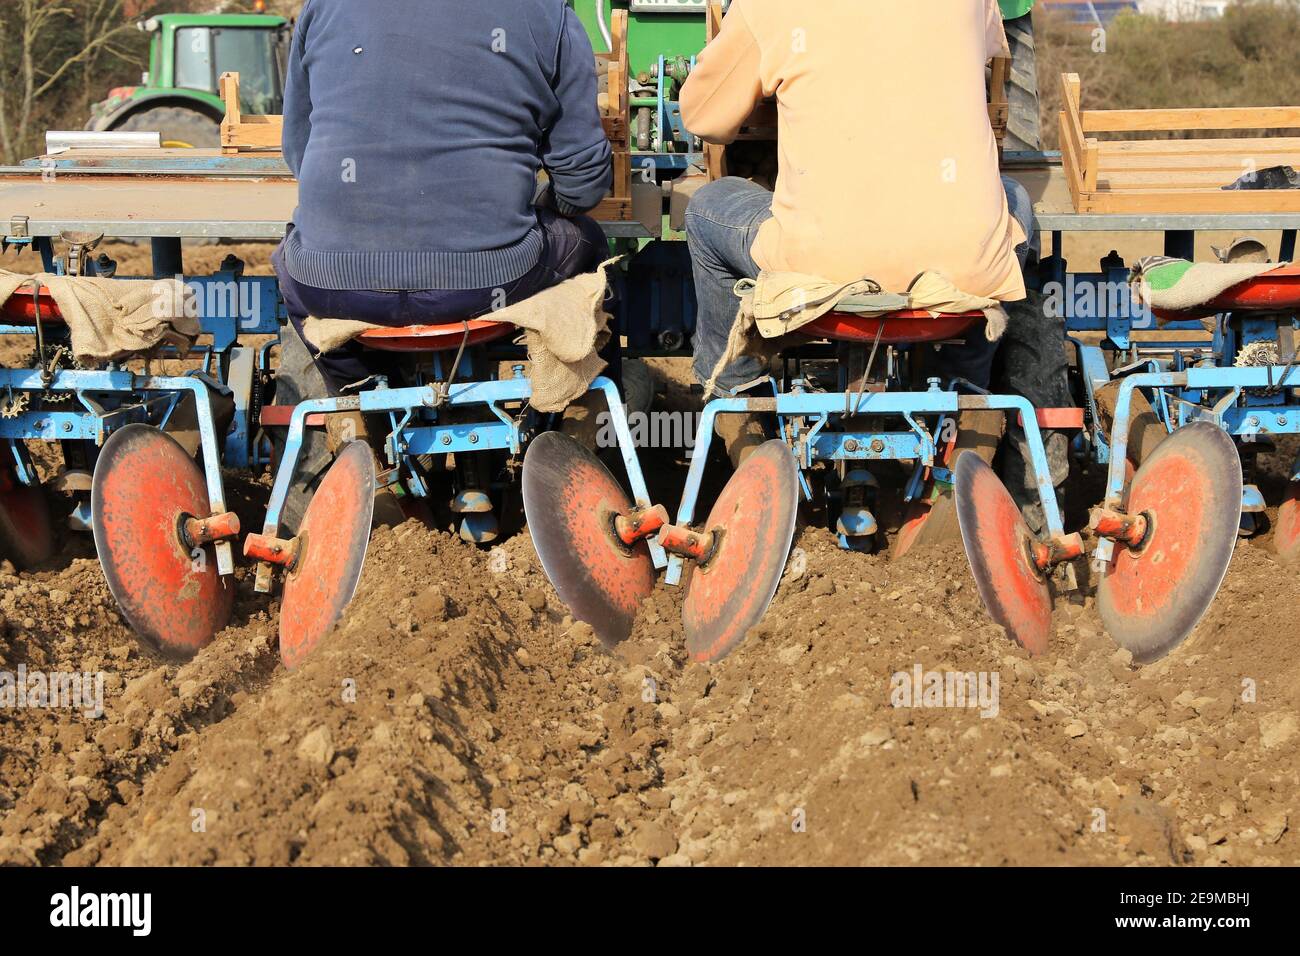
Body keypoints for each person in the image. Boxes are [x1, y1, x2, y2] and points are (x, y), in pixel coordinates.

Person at [678, 0, 1051, 478]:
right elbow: (985, 52)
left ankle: (737, 402)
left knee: (708, 208)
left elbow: (703, 117)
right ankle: (968, 388)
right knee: (1013, 204)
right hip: (956, 275)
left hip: (819, 270)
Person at [273, 0, 613, 392]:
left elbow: (298, 151)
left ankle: (359, 408)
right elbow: (582, 185)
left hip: (329, 284)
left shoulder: (323, 7)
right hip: (490, 280)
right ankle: (584, 418)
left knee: (291, 264)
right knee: (590, 244)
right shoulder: (547, 14)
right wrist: (538, 201)